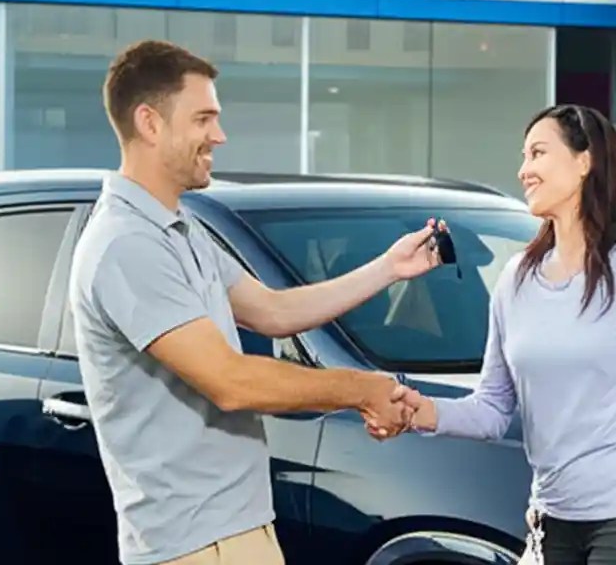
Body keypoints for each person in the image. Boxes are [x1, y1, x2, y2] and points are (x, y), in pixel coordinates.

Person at [69, 39, 442, 565]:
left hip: (235, 531)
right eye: (203, 119)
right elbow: (232, 382)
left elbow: (272, 311)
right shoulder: (127, 245)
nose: (219, 135)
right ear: (149, 123)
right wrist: (361, 389)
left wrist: (388, 268)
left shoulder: (180, 228)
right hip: (195, 545)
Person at [387, 104, 616, 565]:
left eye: (538, 153)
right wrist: (419, 411)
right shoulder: (516, 279)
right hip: (553, 518)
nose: (524, 170)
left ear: (585, 161)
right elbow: (492, 408)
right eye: (523, 156)